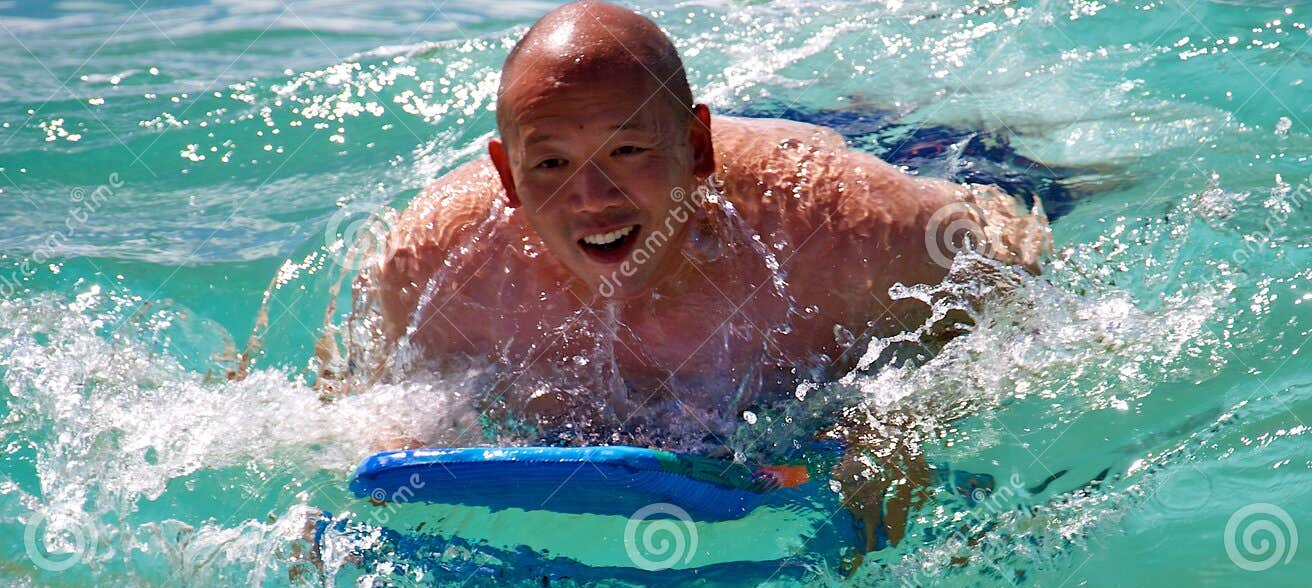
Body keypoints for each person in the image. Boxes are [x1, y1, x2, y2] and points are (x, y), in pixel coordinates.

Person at [355, 1, 1050, 548]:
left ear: (695, 148)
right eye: (551, 163)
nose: (592, 197)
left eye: (626, 150)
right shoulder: (431, 267)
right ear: (507, 175)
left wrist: (895, 422)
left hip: (908, 151)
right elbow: (352, 397)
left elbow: (1015, 265)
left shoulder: (849, 230)